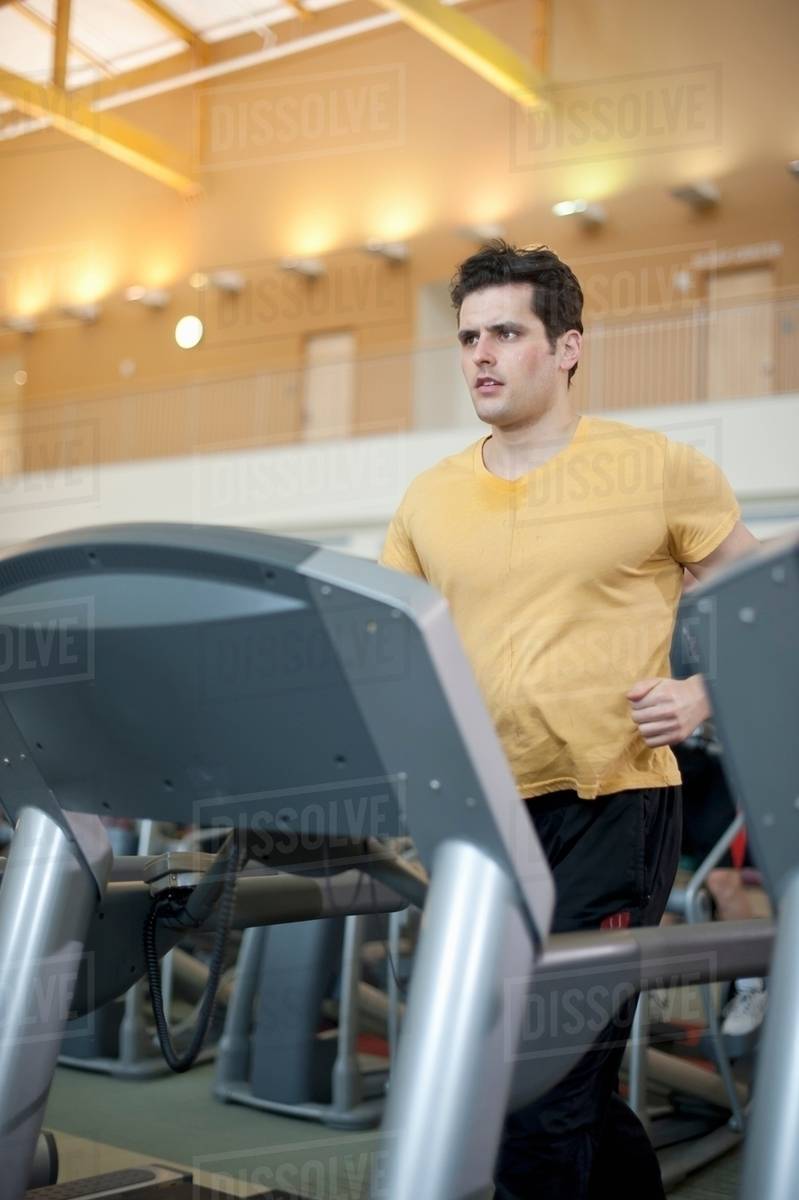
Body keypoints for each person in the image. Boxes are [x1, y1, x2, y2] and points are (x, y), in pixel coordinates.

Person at [379, 242, 759, 1199]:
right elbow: (384, 655)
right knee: (543, 1082)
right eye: (468, 337)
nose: (481, 356)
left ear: (568, 347)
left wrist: (706, 694)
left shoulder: (657, 467)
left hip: (610, 806)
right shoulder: (428, 498)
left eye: (506, 332)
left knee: (538, 1088)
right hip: (479, 821)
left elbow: (767, 608)